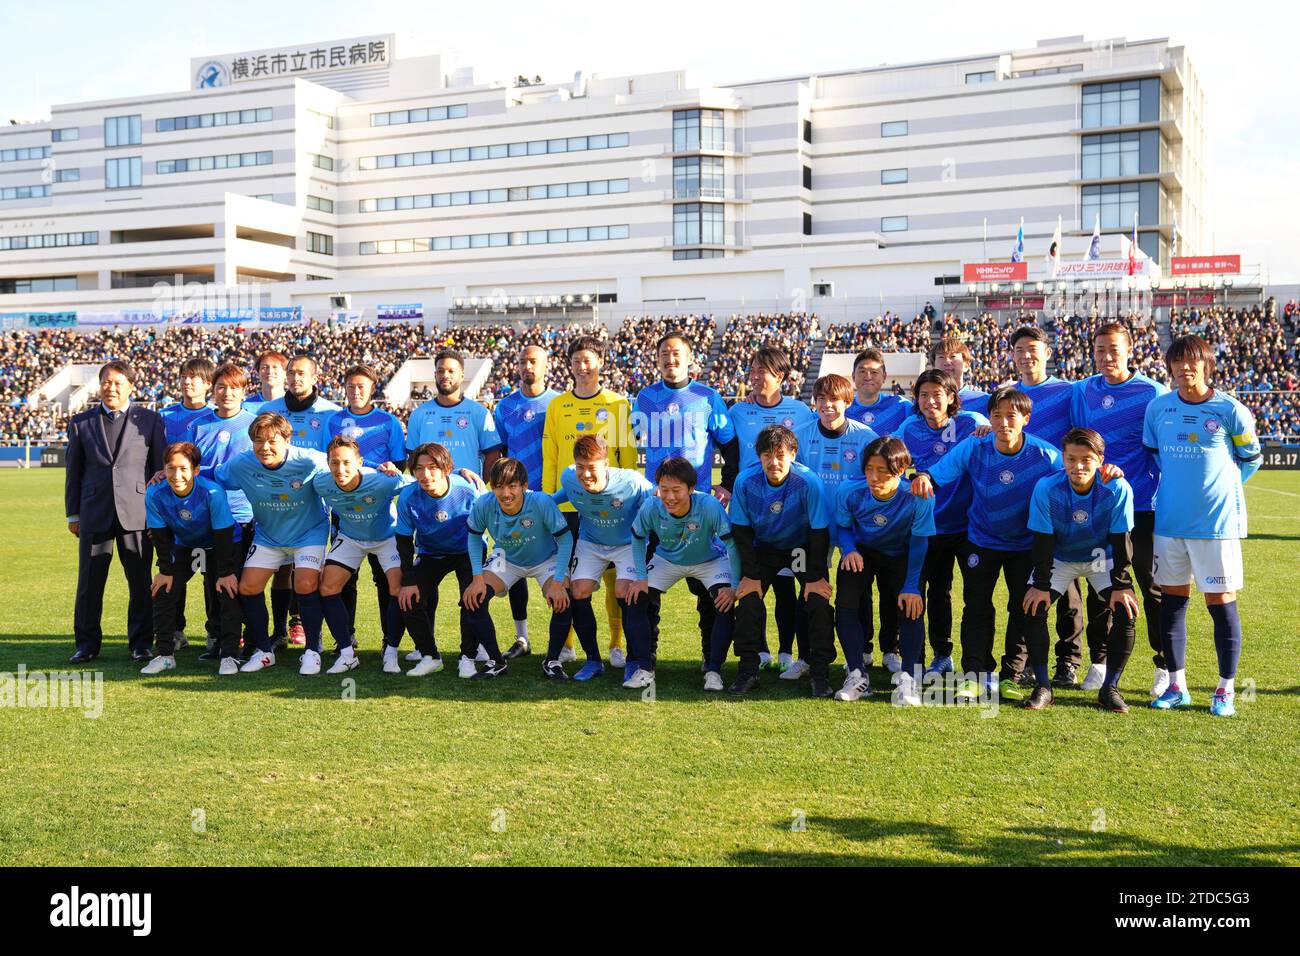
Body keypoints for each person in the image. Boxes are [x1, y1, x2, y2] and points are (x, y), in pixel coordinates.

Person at [911, 387, 1063, 702]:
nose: (1004, 422)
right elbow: (939, 473)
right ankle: (974, 676)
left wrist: (1107, 474)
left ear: (1026, 419)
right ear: (989, 418)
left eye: (1011, 416)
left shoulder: (1046, 455)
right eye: (997, 415)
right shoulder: (974, 445)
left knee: (1022, 608)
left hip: (1025, 544)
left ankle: (1011, 675)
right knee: (977, 607)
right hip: (981, 540)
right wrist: (925, 478)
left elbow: (1077, 476)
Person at [1143, 335, 1261, 717]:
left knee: (1220, 604)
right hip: (1170, 523)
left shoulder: (1231, 410)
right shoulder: (1158, 409)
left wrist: (1222, 491)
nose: (1184, 369)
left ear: (1207, 365)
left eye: (1192, 362)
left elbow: (1250, 459)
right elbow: (1155, 455)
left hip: (1216, 526)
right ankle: (1177, 685)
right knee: (1173, 604)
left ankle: (1225, 689)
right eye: (1177, 362)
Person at [1070, 321, 1169, 696]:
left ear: (1130, 349)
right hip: (1098, 507)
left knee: (1150, 586)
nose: (1106, 357)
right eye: (1099, 351)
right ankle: (1098, 662)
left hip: (1143, 506)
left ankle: (1163, 665)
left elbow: (1162, 452)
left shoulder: (1152, 393)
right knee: (1100, 585)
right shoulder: (1085, 391)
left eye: (1113, 349)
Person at [1023, 428, 1139, 712]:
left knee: (1127, 610)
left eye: (1086, 459)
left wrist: (1122, 584)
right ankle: (1043, 687)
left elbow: (1121, 540)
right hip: (1061, 558)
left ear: (1100, 459)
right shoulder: (1046, 488)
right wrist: (1040, 583)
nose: (1078, 466)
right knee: (1032, 606)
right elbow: (1042, 541)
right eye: (1071, 459)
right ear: (1063, 458)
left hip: (1100, 557)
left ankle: (1109, 688)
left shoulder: (1117, 488)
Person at [541, 335, 637, 667]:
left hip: (611, 506)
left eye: (588, 360)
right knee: (566, 575)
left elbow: (628, 458)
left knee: (614, 578)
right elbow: (551, 457)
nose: (582, 367)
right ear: (569, 365)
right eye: (576, 361)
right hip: (569, 506)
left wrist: (626, 502)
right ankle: (567, 645)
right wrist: (548, 502)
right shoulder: (557, 405)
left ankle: (616, 644)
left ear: (600, 363)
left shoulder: (617, 404)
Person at [65, 361, 168, 663]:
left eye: (118, 383)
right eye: (107, 382)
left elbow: (158, 471)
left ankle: (140, 644)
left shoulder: (150, 420)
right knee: (89, 583)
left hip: (137, 514)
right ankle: (86, 644)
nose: (111, 388)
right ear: (100, 386)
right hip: (94, 513)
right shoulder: (81, 422)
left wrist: (157, 516)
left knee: (139, 582)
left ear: (131, 386)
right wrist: (73, 515)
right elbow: (74, 472)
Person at [215, 412, 331, 675]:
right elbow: (212, 475)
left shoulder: (309, 460)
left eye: (271, 441)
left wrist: (382, 468)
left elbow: (343, 466)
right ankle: (265, 651)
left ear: (287, 440)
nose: (264, 447)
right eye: (258, 440)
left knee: (304, 583)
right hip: (269, 534)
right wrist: (165, 475)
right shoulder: (242, 464)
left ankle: (312, 650)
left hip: (308, 532)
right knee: (248, 587)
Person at [727, 425, 836, 698]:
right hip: (763, 548)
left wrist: (815, 577)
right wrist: (750, 575)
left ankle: (819, 672)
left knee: (818, 601)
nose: (773, 462)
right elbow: (740, 531)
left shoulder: (808, 481)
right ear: (759, 456)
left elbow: (819, 532)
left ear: (793, 454)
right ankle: (748, 670)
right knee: (749, 599)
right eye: (767, 455)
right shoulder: (745, 480)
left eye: (780, 455)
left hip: (801, 547)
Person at [728, 346, 816, 670]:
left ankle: (787, 651)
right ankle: (760, 650)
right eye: (751, 370)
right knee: (753, 583)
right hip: (751, 512)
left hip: (789, 514)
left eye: (761, 371)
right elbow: (730, 454)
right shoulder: (739, 411)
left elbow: (804, 460)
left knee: (786, 587)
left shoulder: (801, 412)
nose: (754, 376)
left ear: (780, 376)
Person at [1008, 325, 1085, 688]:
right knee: (1031, 586)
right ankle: (1025, 661)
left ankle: (1068, 662)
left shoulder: (1069, 392)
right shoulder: (1006, 395)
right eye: (1020, 349)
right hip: (1021, 506)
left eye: (1033, 349)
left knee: (1068, 585)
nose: (1026, 355)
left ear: (1048, 353)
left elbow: (1089, 436)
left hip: (1065, 501)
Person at [832, 436, 935, 704]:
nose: (873, 477)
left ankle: (908, 679)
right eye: (869, 469)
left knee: (911, 606)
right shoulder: (849, 491)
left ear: (900, 471)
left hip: (901, 554)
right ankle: (856, 674)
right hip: (863, 552)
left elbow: (919, 541)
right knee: (845, 603)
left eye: (882, 471)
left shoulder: (918, 497)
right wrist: (848, 549)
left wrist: (912, 585)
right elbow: (842, 526)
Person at [899, 370, 988, 676]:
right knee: (937, 592)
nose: (930, 401)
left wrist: (989, 429)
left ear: (951, 397)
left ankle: (978, 664)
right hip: (930, 525)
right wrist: (913, 478)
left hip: (969, 525)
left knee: (976, 596)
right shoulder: (909, 428)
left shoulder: (972, 423)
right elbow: (896, 466)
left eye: (937, 394)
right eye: (923, 395)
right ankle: (940, 654)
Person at [630, 456, 741, 691]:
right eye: (664, 489)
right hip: (667, 559)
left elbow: (731, 545)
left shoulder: (709, 506)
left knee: (723, 602)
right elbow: (638, 539)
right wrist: (640, 578)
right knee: (636, 599)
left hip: (708, 560)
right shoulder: (651, 506)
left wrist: (733, 585)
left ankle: (713, 670)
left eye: (677, 490)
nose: (669, 497)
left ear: (691, 488)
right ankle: (645, 667)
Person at [553, 435, 657, 686]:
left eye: (592, 467)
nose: (585, 474)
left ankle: (634, 660)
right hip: (591, 542)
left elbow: (658, 500)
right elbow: (554, 499)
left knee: (625, 591)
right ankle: (593, 660)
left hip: (627, 544)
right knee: (578, 591)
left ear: (606, 464)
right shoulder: (569, 477)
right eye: (580, 467)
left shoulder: (632, 482)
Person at [793, 373, 879, 676]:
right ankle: (807, 656)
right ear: (814, 402)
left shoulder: (866, 436)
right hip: (810, 529)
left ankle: (864, 650)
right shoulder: (801, 435)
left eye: (834, 399)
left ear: (847, 401)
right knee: (807, 589)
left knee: (857, 590)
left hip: (851, 530)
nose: (827, 405)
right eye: (821, 399)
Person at [462, 457, 574, 680]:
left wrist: (559, 581)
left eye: (512, 486)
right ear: (492, 486)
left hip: (545, 559)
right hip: (507, 557)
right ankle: (496, 661)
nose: (505, 493)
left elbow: (565, 540)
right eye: (499, 486)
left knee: (564, 598)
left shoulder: (541, 502)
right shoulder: (484, 504)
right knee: (474, 599)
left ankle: (552, 660)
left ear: (524, 485)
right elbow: (474, 538)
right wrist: (476, 578)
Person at [260, 353, 341, 649]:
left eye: (301, 373)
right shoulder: (269, 410)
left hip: (315, 502)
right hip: (276, 499)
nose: (295, 378)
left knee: (307, 567)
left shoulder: (331, 413)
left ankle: (303, 628)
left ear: (315, 377)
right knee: (281, 568)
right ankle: (279, 630)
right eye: (291, 372)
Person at [141, 441, 244, 676]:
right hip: (184, 545)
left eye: (184, 469)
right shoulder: (154, 493)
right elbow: (160, 535)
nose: (177, 475)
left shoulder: (212, 492)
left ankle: (228, 655)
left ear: (196, 470)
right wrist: (165, 570)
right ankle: (165, 654)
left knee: (227, 592)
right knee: (163, 590)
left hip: (222, 544)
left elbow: (224, 534)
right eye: (170, 468)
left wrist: (226, 572)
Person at [326, 364, 408, 655]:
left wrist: (388, 469)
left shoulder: (388, 422)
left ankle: (390, 639)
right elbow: (330, 461)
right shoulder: (333, 420)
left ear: (373, 388)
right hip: (345, 507)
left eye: (361, 386)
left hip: (379, 509)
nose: (356, 391)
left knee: (385, 578)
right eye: (350, 386)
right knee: (344, 577)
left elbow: (399, 465)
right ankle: (346, 637)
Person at [312, 435, 409, 675]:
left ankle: (391, 651)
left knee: (397, 589)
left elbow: (421, 484)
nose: (340, 468)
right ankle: (346, 653)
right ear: (328, 463)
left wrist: (461, 472)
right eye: (334, 462)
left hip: (386, 538)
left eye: (346, 462)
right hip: (351, 538)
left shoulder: (382, 480)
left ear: (360, 462)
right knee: (327, 588)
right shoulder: (321, 483)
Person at [491, 345, 560, 660]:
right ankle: (522, 639)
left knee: (558, 568)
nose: (527, 366)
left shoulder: (559, 403)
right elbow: (500, 452)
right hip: (513, 498)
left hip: (551, 497)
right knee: (515, 563)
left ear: (547, 365)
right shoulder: (505, 407)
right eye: (523, 361)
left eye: (534, 361)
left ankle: (564, 645)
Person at [186, 362, 257, 661]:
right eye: (221, 387)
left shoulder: (254, 424)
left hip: (247, 516)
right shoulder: (198, 425)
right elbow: (189, 469)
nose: (227, 393)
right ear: (213, 391)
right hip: (211, 517)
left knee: (244, 580)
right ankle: (216, 636)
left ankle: (249, 638)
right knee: (212, 579)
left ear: (244, 392)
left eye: (234, 388)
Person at [392, 442, 481, 676]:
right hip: (431, 553)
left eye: (432, 467)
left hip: (466, 551)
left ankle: (468, 656)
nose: (425, 474)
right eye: (419, 469)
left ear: (446, 469)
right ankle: (430, 656)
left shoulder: (468, 490)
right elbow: (403, 540)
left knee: (472, 598)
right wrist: (408, 579)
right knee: (408, 598)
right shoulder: (408, 497)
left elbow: (485, 526)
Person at [155, 356, 216, 652]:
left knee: (211, 575)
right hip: (170, 510)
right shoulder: (164, 416)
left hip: (207, 510)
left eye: (195, 377)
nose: (188, 382)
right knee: (172, 570)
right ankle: (175, 630)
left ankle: (214, 631)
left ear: (208, 384)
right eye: (184, 376)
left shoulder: (216, 417)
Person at [405, 349, 504, 481]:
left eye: (451, 371)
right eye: (440, 371)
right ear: (435, 375)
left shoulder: (479, 412)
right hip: (429, 494)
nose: (445, 375)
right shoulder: (419, 414)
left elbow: (492, 454)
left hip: (469, 493)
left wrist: (478, 486)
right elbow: (413, 456)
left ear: (462, 376)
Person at [847, 348, 913, 435]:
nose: (868, 377)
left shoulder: (902, 406)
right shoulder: (842, 409)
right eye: (862, 371)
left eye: (874, 372)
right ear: (853, 376)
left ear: (884, 377)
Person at [929, 336, 989, 418]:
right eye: (941, 357)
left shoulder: (984, 401)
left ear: (966, 365)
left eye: (953, 357)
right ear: (933, 366)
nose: (947, 362)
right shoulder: (925, 403)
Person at [244, 350, 288, 414]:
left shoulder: (295, 405)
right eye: (264, 367)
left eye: (275, 367)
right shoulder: (246, 407)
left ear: (285, 373)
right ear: (258, 373)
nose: (270, 371)